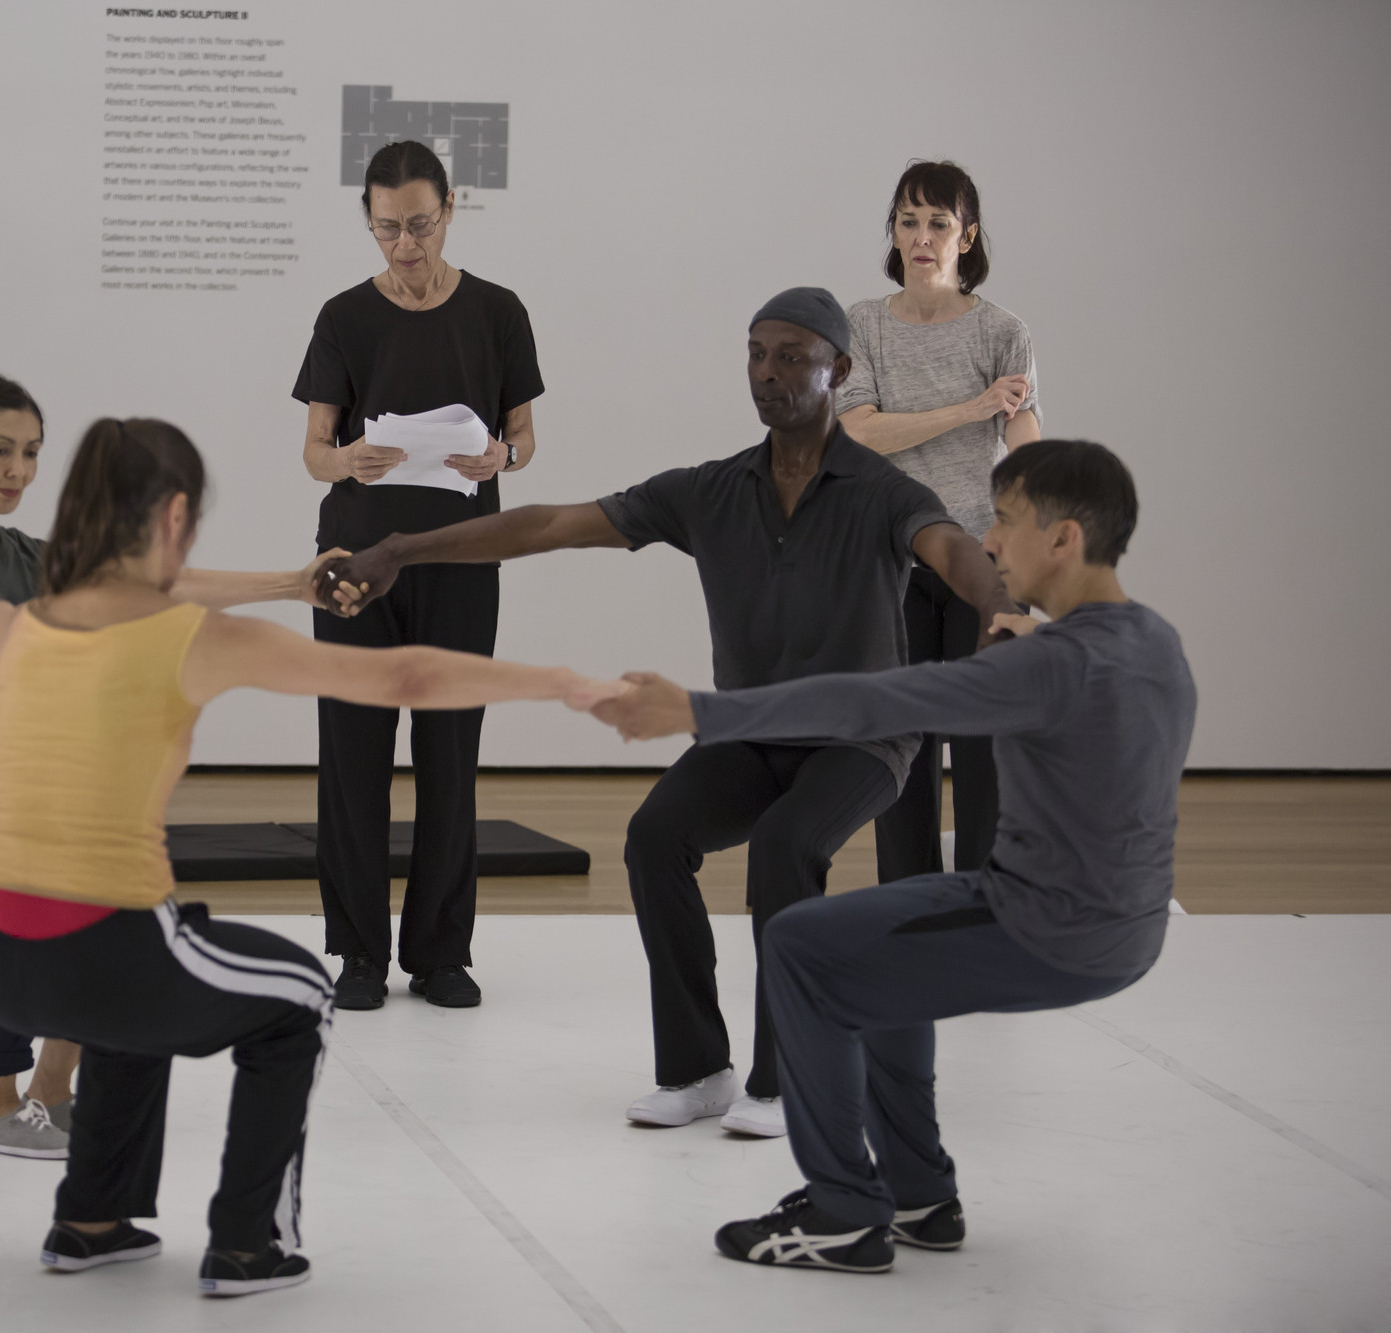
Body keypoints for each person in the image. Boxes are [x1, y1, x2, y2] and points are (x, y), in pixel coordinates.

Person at [321, 288, 1019, 1138]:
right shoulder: (716, 489)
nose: (767, 373)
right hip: (752, 729)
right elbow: (549, 525)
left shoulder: (881, 492)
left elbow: (952, 550)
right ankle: (698, 1068)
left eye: (791, 356)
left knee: (787, 846)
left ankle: (788, 1073)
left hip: (860, 738)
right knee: (655, 838)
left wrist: (1002, 606)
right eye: (757, 354)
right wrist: (401, 548)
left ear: (838, 369)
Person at [0, 418, 612, 1295]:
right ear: (177, 513)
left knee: (148, 973)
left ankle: (91, 1220)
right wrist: (563, 684)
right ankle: (248, 1243)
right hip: (98, 945)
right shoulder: (189, 635)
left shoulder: (29, 622)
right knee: (297, 995)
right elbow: (404, 680)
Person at [590, 440, 1194, 1273]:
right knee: (878, 952)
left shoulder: (1053, 665)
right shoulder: (1148, 638)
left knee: (804, 945)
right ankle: (919, 1196)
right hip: (1111, 926)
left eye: (1007, 523)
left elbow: (877, 695)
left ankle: (843, 1207)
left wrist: (699, 708)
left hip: (1047, 928)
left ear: (1063, 539)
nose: (987, 542)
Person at [0, 371, 344, 1159]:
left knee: (90, 889)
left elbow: (158, 584)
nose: (18, 470)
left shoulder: (30, 554)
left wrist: (291, 584)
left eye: (31, 453)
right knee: (24, 884)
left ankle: (51, 1095)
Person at [294, 138, 544, 1011]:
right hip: (357, 563)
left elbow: (524, 435)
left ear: (450, 210)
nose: (406, 244)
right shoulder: (343, 317)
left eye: (421, 225)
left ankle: (440, 951)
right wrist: (352, 457)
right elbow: (314, 453)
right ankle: (357, 952)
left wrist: (503, 454)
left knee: (451, 753)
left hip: (465, 556)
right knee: (353, 754)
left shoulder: (498, 311)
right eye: (388, 227)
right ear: (368, 221)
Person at [838, 161, 1042, 883]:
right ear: (893, 231)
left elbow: (1026, 446)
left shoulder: (1003, 331)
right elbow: (860, 432)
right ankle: (908, 903)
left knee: (984, 740)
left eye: (938, 223)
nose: (921, 238)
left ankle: (986, 908)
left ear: (968, 235)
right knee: (901, 743)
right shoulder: (862, 324)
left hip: (980, 563)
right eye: (908, 221)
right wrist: (972, 407)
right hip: (893, 561)